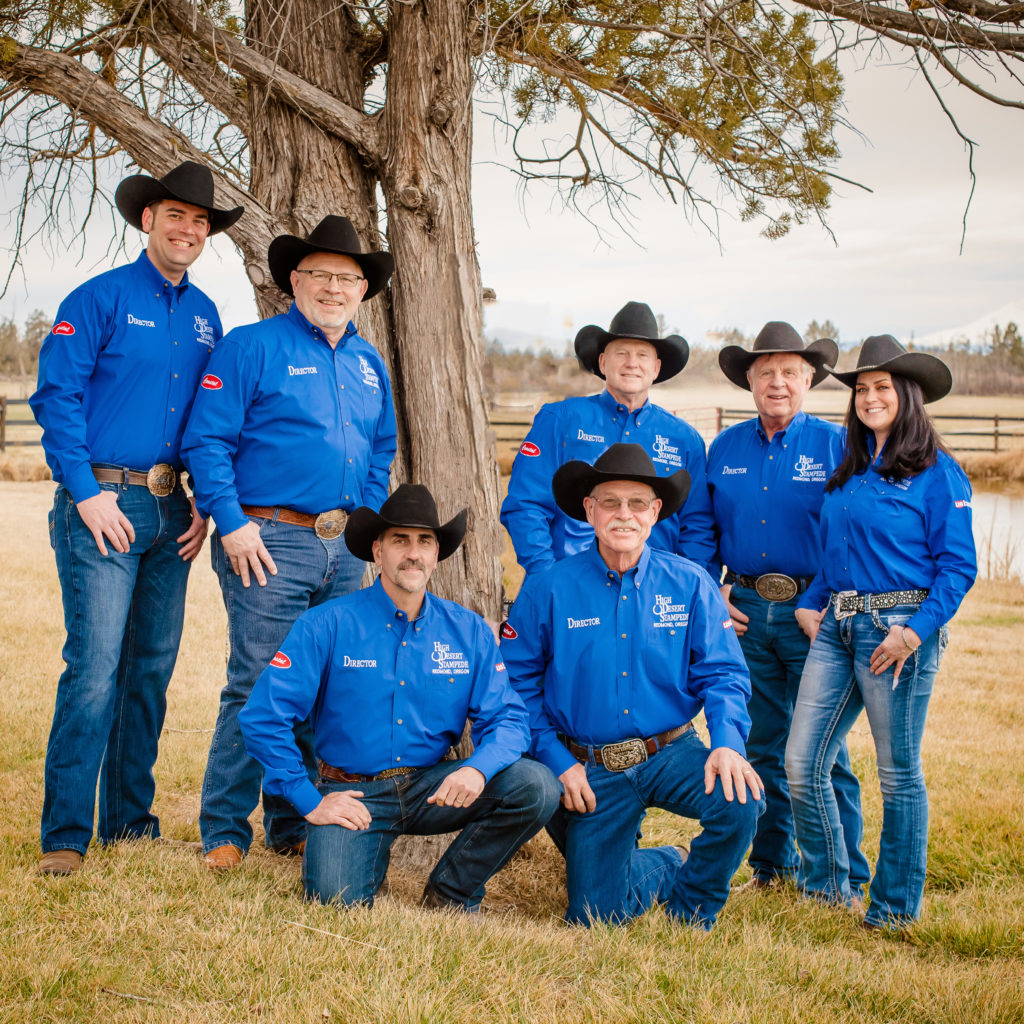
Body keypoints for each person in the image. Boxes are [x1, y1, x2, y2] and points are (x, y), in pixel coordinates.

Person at [30, 160, 243, 875]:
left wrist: (205, 508)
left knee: (150, 669)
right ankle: (65, 834)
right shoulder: (98, 299)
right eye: (176, 216)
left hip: (171, 509)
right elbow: (55, 399)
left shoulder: (210, 316)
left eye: (201, 222)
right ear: (147, 219)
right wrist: (85, 492)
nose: (188, 229)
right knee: (94, 667)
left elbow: (208, 425)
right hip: (102, 503)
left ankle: (128, 820)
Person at [181, 215, 398, 870]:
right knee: (257, 683)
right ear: (295, 280)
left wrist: (365, 520)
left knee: (318, 686)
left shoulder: (367, 364)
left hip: (343, 548)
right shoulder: (252, 347)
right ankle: (224, 829)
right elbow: (206, 440)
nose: (333, 288)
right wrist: (233, 520)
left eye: (346, 278)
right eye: (321, 275)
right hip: (267, 537)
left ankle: (289, 820)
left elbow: (380, 449)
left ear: (363, 288)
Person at [238, 484, 560, 909]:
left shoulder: (468, 632)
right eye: (400, 540)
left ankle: (451, 891)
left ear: (436, 554)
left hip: (432, 786)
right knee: (335, 902)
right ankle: (359, 857)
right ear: (377, 551)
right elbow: (263, 717)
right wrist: (309, 800)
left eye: (424, 541)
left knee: (536, 785)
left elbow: (509, 720)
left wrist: (477, 770)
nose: (413, 553)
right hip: (353, 794)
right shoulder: (327, 624)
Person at [502, 443, 763, 929]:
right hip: (588, 764)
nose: (624, 514)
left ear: (655, 512)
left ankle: (692, 908)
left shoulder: (689, 583)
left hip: (669, 751)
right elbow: (518, 689)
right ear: (589, 510)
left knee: (741, 800)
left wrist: (727, 744)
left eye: (637, 503)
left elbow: (724, 674)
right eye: (610, 502)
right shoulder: (548, 588)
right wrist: (558, 762)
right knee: (594, 916)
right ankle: (668, 863)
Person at [786, 335, 977, 930]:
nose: (869, 397)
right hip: (836, 626)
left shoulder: (938, 474)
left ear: (907, 396)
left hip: (896, 632)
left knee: (897, 773)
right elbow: (834, 553)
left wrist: (915, 633)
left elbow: (958, 567)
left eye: (882, 388)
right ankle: (827, 887)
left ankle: (893, 907)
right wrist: (809, 603)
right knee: (801, 762)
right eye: (861, 389)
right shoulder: (850, 470)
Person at [708, 322, 870, 899]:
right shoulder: (723, 450)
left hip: (813, 611)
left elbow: (853, 530)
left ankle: (843, 874)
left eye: (790, 373)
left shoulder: (837, 446)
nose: (778, 383)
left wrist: (820, 598)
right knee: (759, 743)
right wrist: (714, 591)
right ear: (749, 380)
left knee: (825, 749)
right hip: (744, 609)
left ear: (809, 380)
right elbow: (703, 528)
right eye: (766, 372)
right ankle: (772, 868)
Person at [500, 301, 716, 575]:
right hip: (571, 579)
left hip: (654, 589)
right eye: (621, 353)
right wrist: (546, 575)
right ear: (603, 362)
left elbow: (697, 524)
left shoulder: (684, 439)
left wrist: (684, 585)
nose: (631, 363)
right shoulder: (559, 420)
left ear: (656, 368)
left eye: (642, 355)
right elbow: (526, 504)